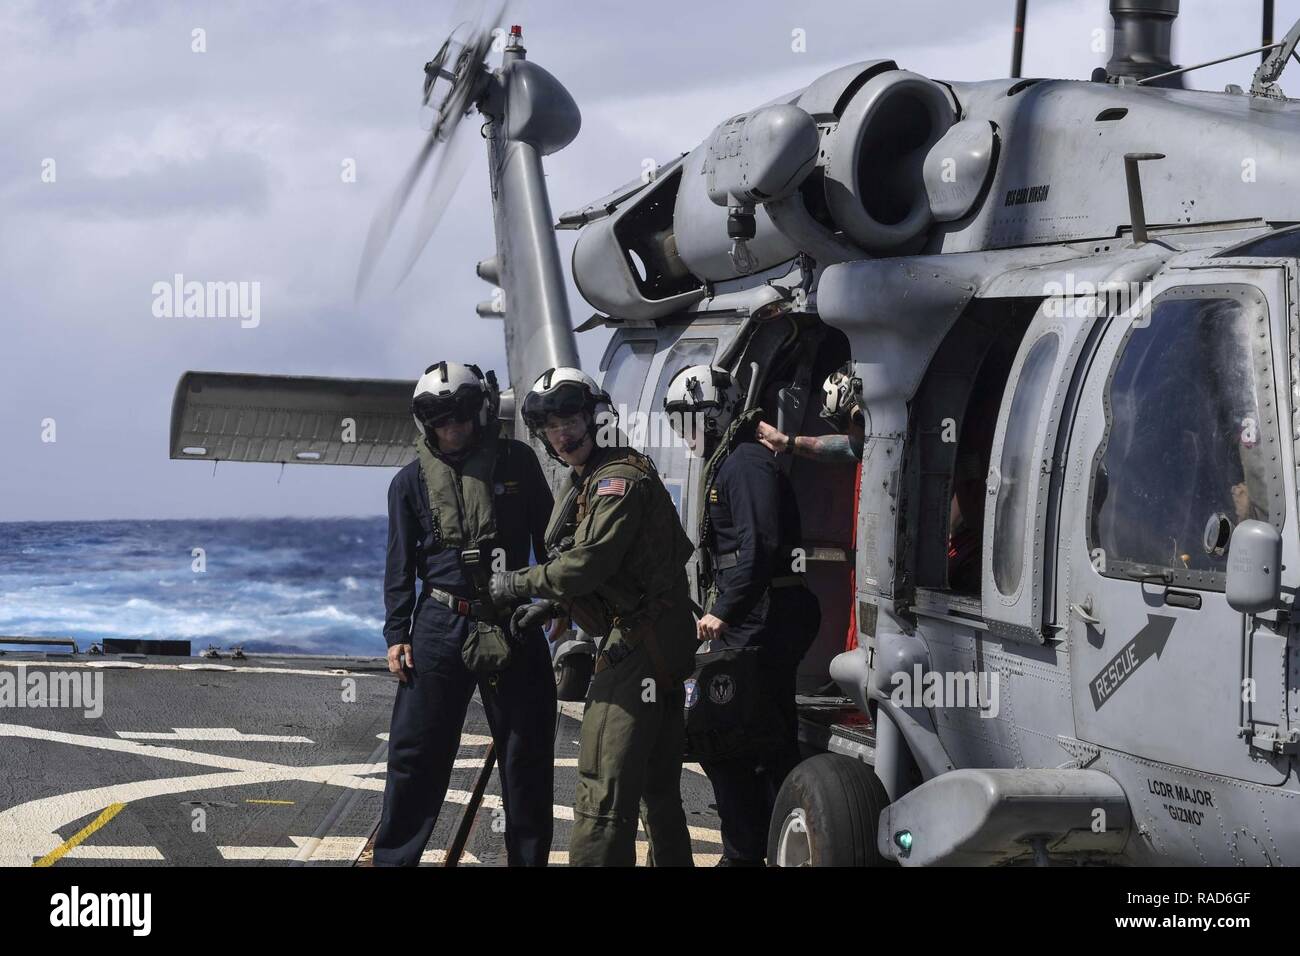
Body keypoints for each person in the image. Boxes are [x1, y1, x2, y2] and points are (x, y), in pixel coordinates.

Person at [488, 367, 697, 867]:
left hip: (637, 646)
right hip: (658, 642)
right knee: (657, 789)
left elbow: (586, 564)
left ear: (595, 417)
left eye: (570, 418)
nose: (561, 434)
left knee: (602, 792)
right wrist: (555, 604)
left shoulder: (616, 481)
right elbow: (614, 567)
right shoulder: (600, 476)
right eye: (550, 426)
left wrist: (514, 584)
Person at [374, 361, 557, 867]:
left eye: (458, 418)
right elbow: (399, 563)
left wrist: (560, 603)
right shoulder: (408, 484)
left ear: (479, 414)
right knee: (415, 755)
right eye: (439, 421)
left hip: (513, 620)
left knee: (526, 754)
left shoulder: (517, 462)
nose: (450, 429)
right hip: (437, 624)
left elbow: (548, 540)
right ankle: (395, 859)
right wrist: (397, 634)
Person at [664, 363, 821, 866]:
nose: (684, 435)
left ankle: (750, 851)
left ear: (716, 417)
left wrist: (722, 613)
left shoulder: (746, 464)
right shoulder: (733, 462)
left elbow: (760, 544)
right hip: (758, 614)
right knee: (754, 740)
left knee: (732, 736)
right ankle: (759, 846)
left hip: (763, 617)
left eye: (690, 422)